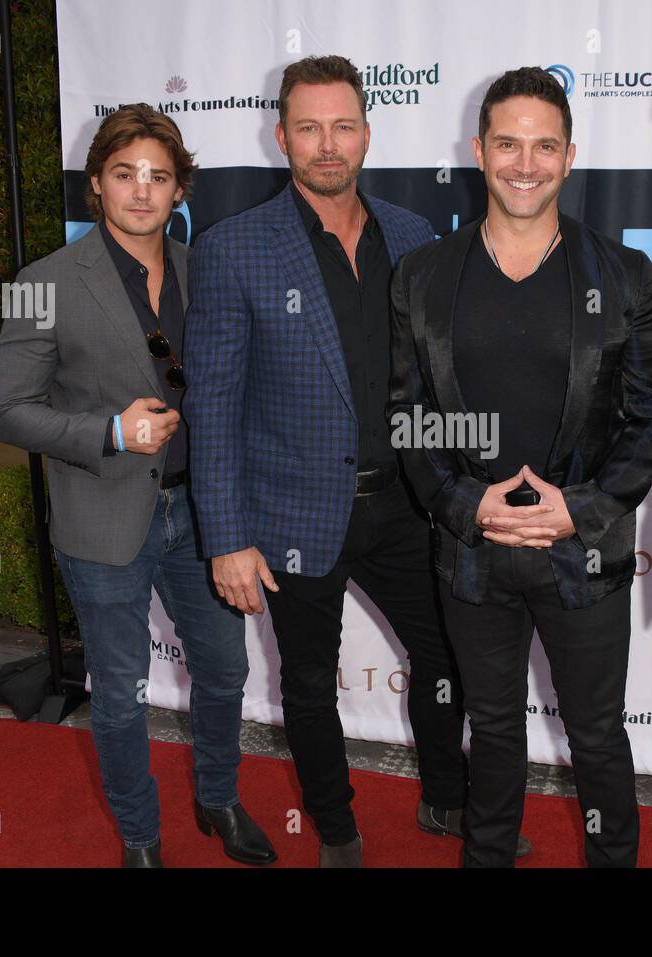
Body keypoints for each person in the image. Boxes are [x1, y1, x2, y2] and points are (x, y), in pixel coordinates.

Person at [183, 55, 509, 867]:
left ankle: (444, 797)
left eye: (342, 126)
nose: (327, 145)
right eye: (308, 128)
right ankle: (337, 831)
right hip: (291, 514)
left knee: (447, 660)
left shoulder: (411, 235)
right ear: (280, 135)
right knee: (306, 684)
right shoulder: (234, 250)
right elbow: (212, 404)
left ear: (367, 130)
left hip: (404, 501)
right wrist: (226, 537)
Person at [0, 103, 275, 868]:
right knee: (120, 693)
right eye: (124, 174)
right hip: (103, 516)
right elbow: (5, 412)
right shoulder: (42, 281)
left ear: (180, 189)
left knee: (225, 669)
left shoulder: (202, 267)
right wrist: (111, 431)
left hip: (204, 515)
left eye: (158, 176)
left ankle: (217, 798)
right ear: (96, 184)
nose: (142, 191)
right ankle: (141, 840)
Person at [388, 67, 652, 867]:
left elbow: (647, 420)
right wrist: (465, 503)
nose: (525, 162)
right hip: (472, 554)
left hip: (582, 553)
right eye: (508, 142)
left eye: (545, 145)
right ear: (478, 150)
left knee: (599, 738)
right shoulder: (425, 276)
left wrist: (580, 509)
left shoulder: (623, 276)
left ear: (570, 157)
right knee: (495, 729)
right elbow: (408, 416)